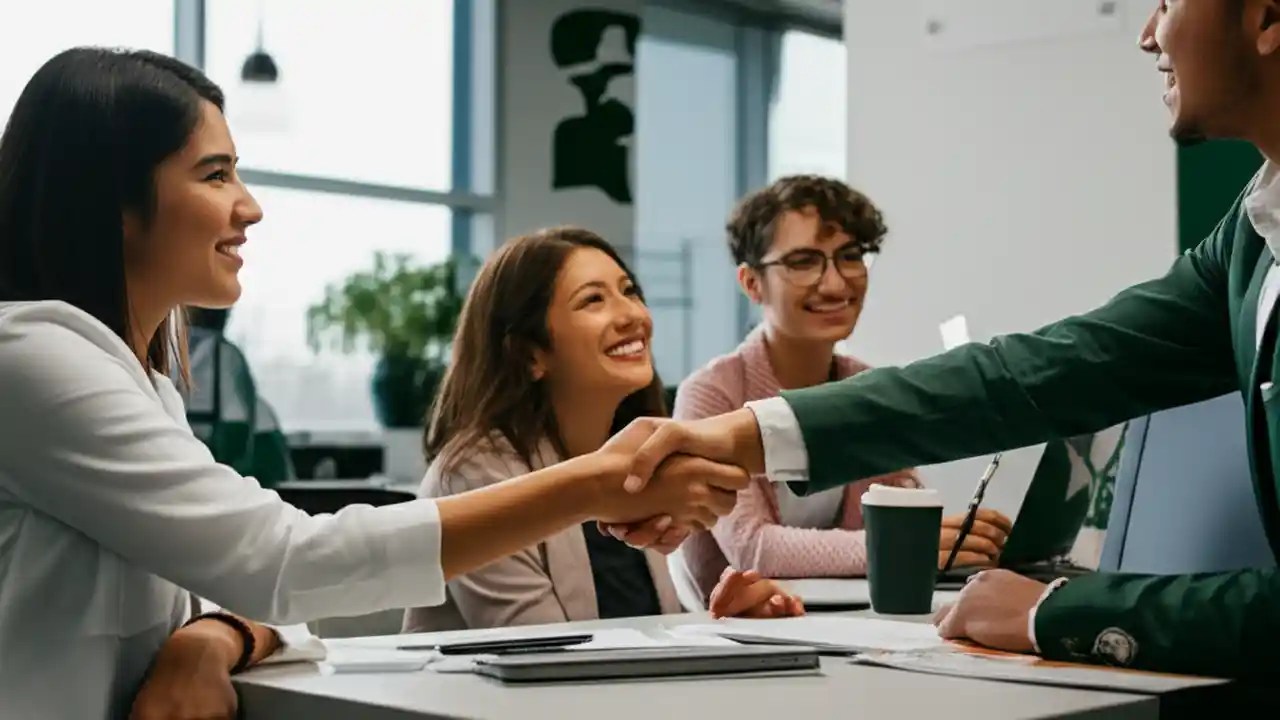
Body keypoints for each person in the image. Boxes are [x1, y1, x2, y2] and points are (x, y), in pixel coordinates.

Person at [0, 48, 746, 719]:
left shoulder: (139, 381)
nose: (249, 206)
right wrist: (592, 485)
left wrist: (214, 636)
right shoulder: (30, 360)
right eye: (215, 174)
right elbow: (284, 563)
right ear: (113, 201)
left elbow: (242, 582)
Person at [611, 1, 1280, 680]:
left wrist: (1049, 612)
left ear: (1266, 18)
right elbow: (1036, 372)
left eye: (1166, 1)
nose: (1146, 34)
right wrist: (742, 434)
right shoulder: (1253, 237)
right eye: (806, 261)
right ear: (751, 282)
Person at [402, 227, 804, 633]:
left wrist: (730, 626)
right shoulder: (474, 475)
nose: (633, 315)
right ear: (529, 354)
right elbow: (548, 658)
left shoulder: (638, 457)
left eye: (629, 291)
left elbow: (638, 636)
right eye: (593, 300)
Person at [671, 175, 1011, 604]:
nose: (835, 284)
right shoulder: (711, 394)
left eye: (849, 257)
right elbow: (751, 547)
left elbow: (905, 514)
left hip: (844, 625)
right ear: (752, 283)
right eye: (802, 262)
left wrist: (960, 541)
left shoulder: (869, 386)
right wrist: (900, 547)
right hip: (735, 637)